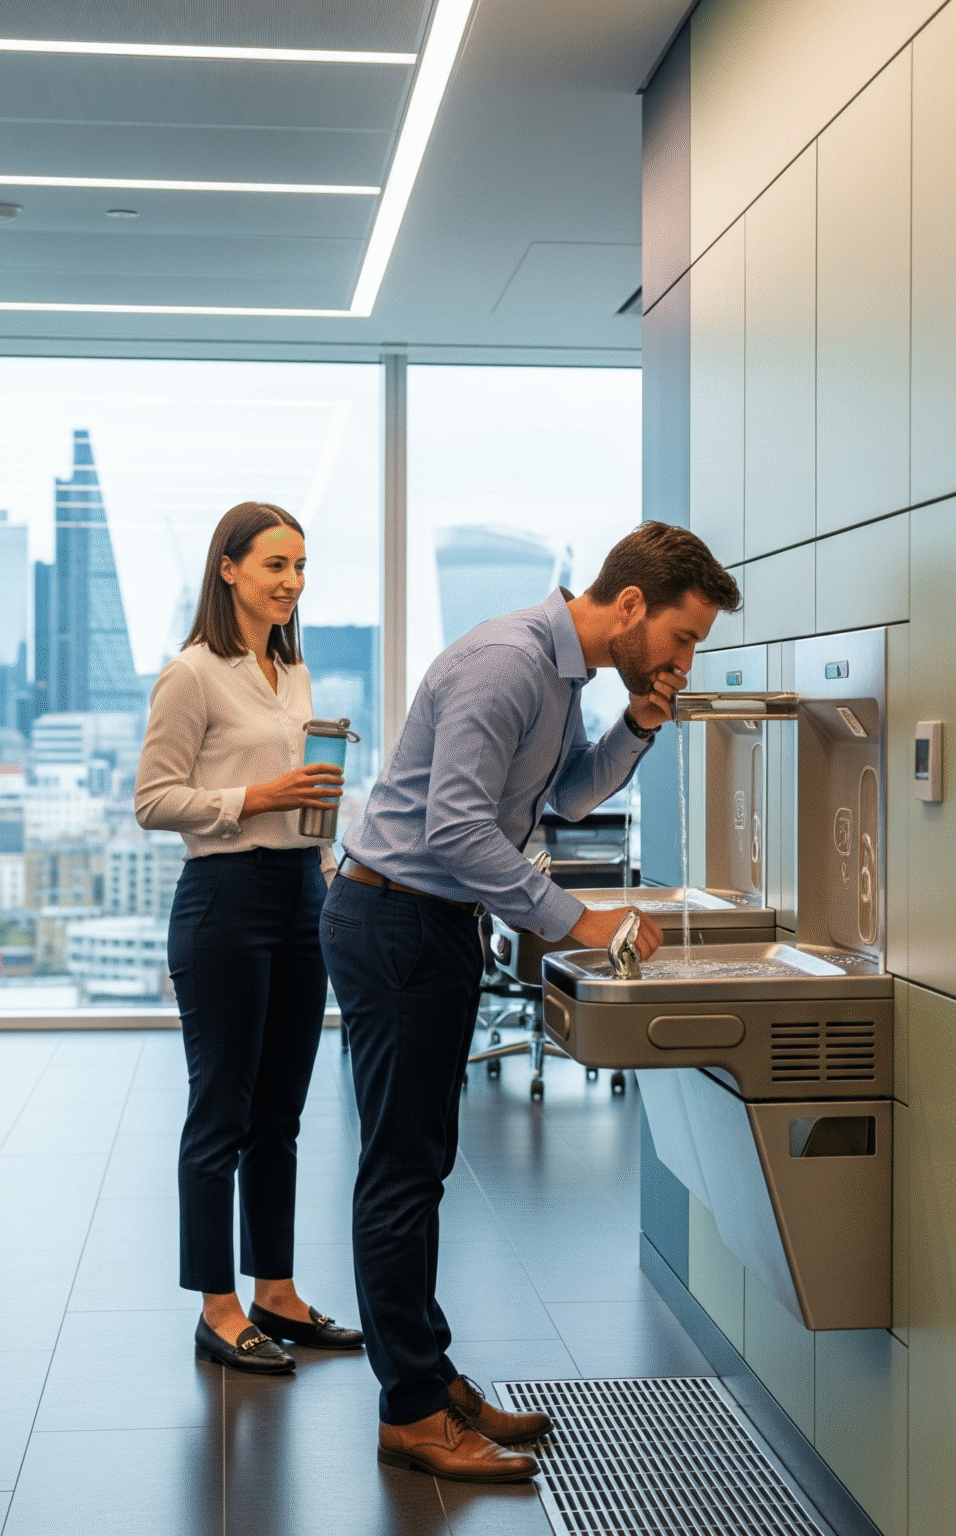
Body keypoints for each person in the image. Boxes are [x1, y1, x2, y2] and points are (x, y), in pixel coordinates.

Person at [322, 522, 742, 1479]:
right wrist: (582, 920)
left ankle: (429, 1376)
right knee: (401, 1172)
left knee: (422, 1164)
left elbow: (569, 800)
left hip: (428, 921)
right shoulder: (509, 664)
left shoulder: (566, 678)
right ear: (630, 605)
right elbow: (457, 829)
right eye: (682, 637)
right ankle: (411, 1412)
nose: (684, 660)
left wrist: (639, 723)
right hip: (396, 920)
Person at [136, 501, 364, 1375]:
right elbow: (153, 800)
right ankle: (218, 1307)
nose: (292, 582)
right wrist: (257, 798)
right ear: (228, 568)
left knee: (280, 1115)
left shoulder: (291, 670)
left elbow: (297, 791)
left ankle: (277, 1291)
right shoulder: (191, 675)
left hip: (302, 892)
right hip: (225, 900)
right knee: (221, 1113)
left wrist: (323, 852)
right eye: (275, 564)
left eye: (300, 566)